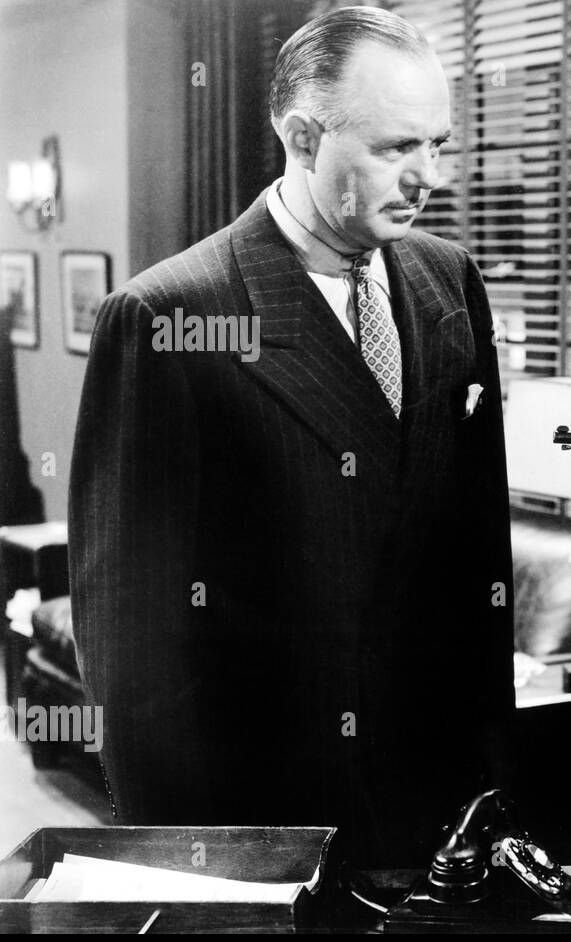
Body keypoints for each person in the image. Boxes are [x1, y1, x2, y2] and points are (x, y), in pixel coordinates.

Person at [68, 7, 514, 867]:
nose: (430, 177)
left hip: (440, 806)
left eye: (439, 144)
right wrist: (191, 862)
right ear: (303, 137)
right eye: (396, 148)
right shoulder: (169, 316)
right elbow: (133, 646)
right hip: (271, 815)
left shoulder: (448, 277)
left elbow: (476, 562)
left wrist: (493, 779)